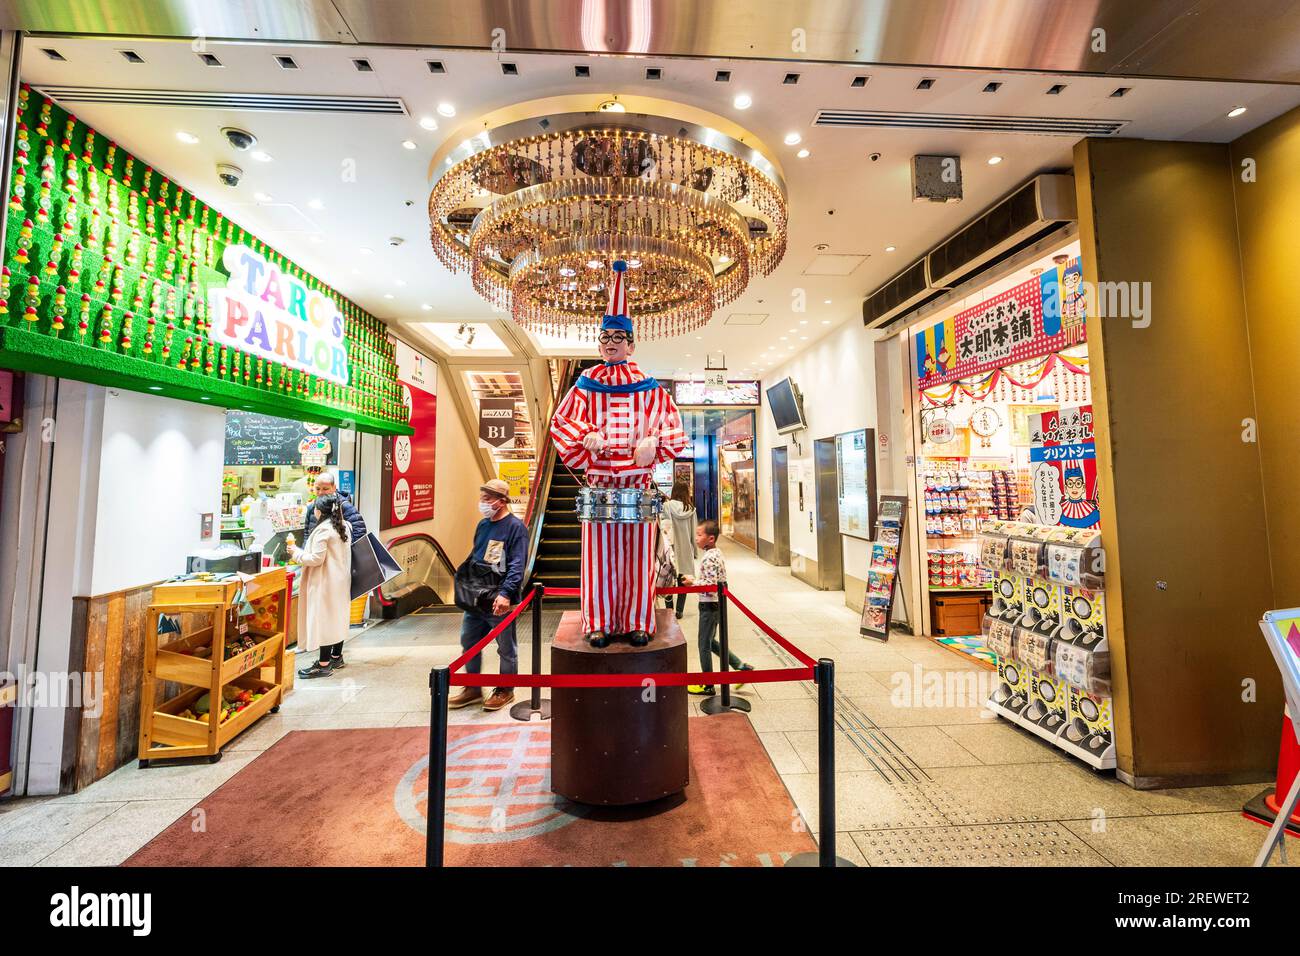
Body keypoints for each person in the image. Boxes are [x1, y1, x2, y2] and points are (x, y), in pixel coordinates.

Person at [549, 259, 687, 647]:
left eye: (617, 336)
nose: (610, 342)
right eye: (605, 336)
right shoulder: (586, 383)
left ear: (631, 342)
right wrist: (585, 435)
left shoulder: (649, 387)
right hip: (599, 486)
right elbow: (561, 424)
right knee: (598, 562)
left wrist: (654, 445)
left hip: (638, 487)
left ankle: (638, 621)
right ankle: (598, 622)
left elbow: (674, 430)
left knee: (638, 561)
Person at [449, 479, 528, 712]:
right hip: (477, 597)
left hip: (499, 599)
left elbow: (517, 565)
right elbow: (477, 555)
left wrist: (505, 594)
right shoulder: (483, 525)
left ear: (501, 501)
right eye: (482, 497)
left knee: (506, 647)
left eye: (486, 499)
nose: (482, 503)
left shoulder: (515, 528)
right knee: (469, 642)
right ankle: (473, 688)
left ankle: (506, 689)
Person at [681, 519, 753, 696]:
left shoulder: (710, 557)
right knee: (711, 642)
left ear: (710, 538)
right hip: (715, 604)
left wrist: (692, 582)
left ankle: (708, 684)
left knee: (703, 644)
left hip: (709, 606)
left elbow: (710, 584)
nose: (696, 538)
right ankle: (741, 667)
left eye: (700, 535)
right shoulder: (716, 553)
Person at [291, 494, 354, 678]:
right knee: (337, 618)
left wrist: (295, 553)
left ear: (319, 511)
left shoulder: (323, 531)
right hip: (340, 580)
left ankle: (323, 664)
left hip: (325, 582)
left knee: (325, 621)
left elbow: (316, 559)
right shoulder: (344, 526)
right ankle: (336, 656)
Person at [662, 479, 697, 620]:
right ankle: (680, 611)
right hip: (686, 548)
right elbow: (694, 532)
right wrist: (694, 550)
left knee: (668, 579)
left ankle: (669, 610)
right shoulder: (691, 509)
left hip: (670, 548)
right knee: (684, 579)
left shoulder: (667, 506)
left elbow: (664, 527)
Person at [303, 469, 367, 542]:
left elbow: (360, 534)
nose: (320, 492)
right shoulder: (312, 507)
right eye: (317, 489)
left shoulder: (345, 507)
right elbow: (306, 534)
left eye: (325, 489)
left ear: (334, 488)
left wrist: (341, 548)